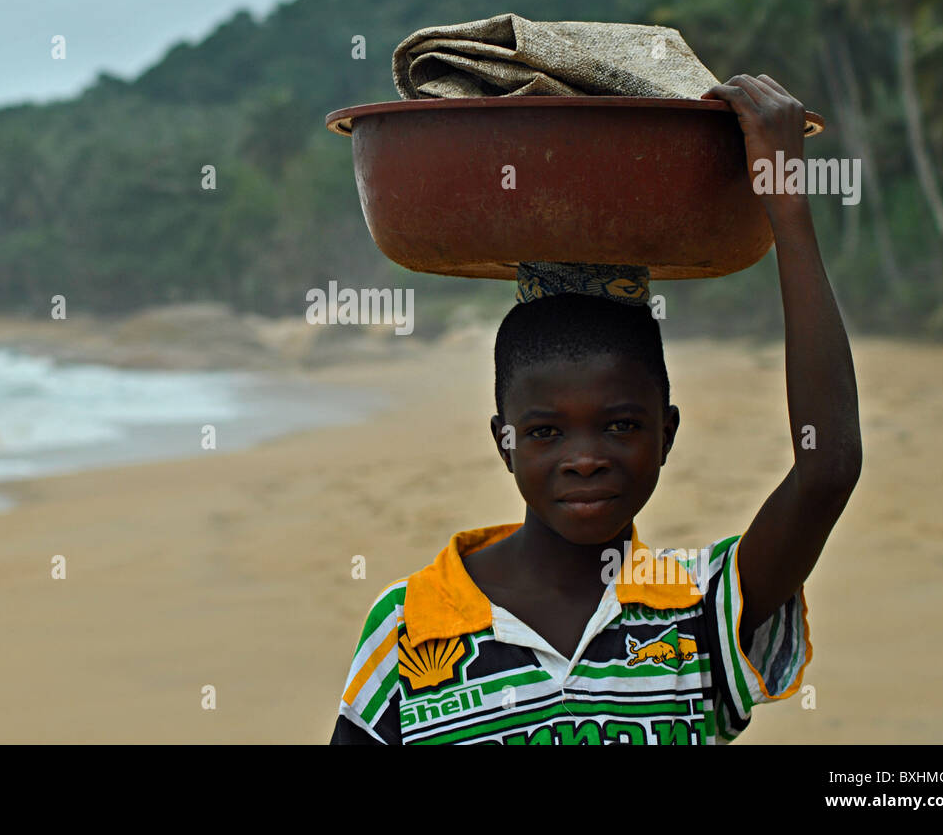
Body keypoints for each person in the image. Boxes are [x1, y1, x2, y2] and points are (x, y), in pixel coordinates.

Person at [329, 74, 862, 745]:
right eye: (547, 432)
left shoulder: (698, 610)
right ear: (505, 441)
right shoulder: (411, 628)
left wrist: (786, 205)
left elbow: (828, 470)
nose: (585, 460)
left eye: (620, 426)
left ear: (666, 433)